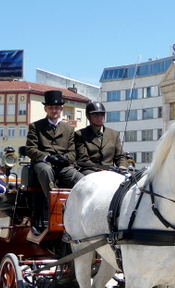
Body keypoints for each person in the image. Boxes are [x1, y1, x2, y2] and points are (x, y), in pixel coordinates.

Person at [25, 90, 83, 233]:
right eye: (51, 107)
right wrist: (46, 157)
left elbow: (73, 152)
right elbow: (30, 149)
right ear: (45, 109)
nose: (54, 110)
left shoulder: (69, 129)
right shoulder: (35, 126)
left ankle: (81, 212)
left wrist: (66, 158)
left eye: (57, 108)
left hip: (62, 165)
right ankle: (53, 208)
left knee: (80, 179)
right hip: (42, 163)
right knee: (46, 170)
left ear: (61, 109)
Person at [75, 101, 130, 175]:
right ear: (88, 116)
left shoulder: (114, 134)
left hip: (111, 171)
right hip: (90, 171)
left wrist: (122, 166)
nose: (99, 117)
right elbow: (83, 159)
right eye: (95, 114)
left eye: (102, 114)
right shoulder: (80, 134)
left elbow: (120, 156)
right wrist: (99, 170)